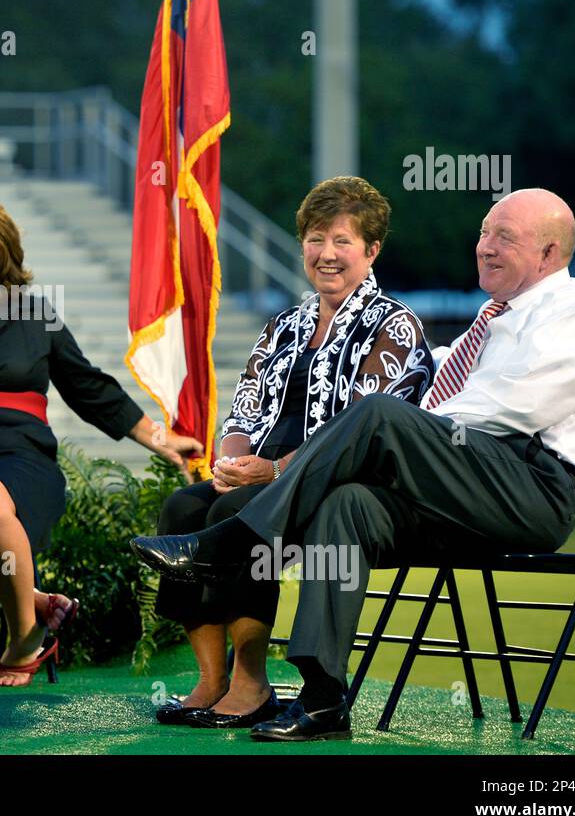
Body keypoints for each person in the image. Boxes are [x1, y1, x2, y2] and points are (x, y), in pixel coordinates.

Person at [132, 187, 575, 741]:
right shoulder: (496, 318)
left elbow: (507, 409)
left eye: (503, 237)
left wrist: (409, 425)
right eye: (484, 232)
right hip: (464, 484)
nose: (484, 246)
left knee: (381, 415)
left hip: (529, 489)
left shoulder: (574, 315)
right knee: (347, 505)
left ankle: (226, 545)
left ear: (550, 253)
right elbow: (444, 379)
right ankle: (322, 699)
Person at [152, 177, 433, 729]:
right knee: (182, 509)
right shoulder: (286, 323)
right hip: (259, 472)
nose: (326, 254)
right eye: (314, 238)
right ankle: (210, 681)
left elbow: (358, 428)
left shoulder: (395, 325)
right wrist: (232, 464)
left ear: (371, 251)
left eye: (342, 241)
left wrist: (276, 471)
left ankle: (251, 683)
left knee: (228, 515)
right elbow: (246, 403)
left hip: (333, 486)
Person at [0, 193, 202, 687]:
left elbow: (88, 387)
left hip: (18, 457)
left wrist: (156, 436)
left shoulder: (33, 314)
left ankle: (26, 637)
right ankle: (38, 603)